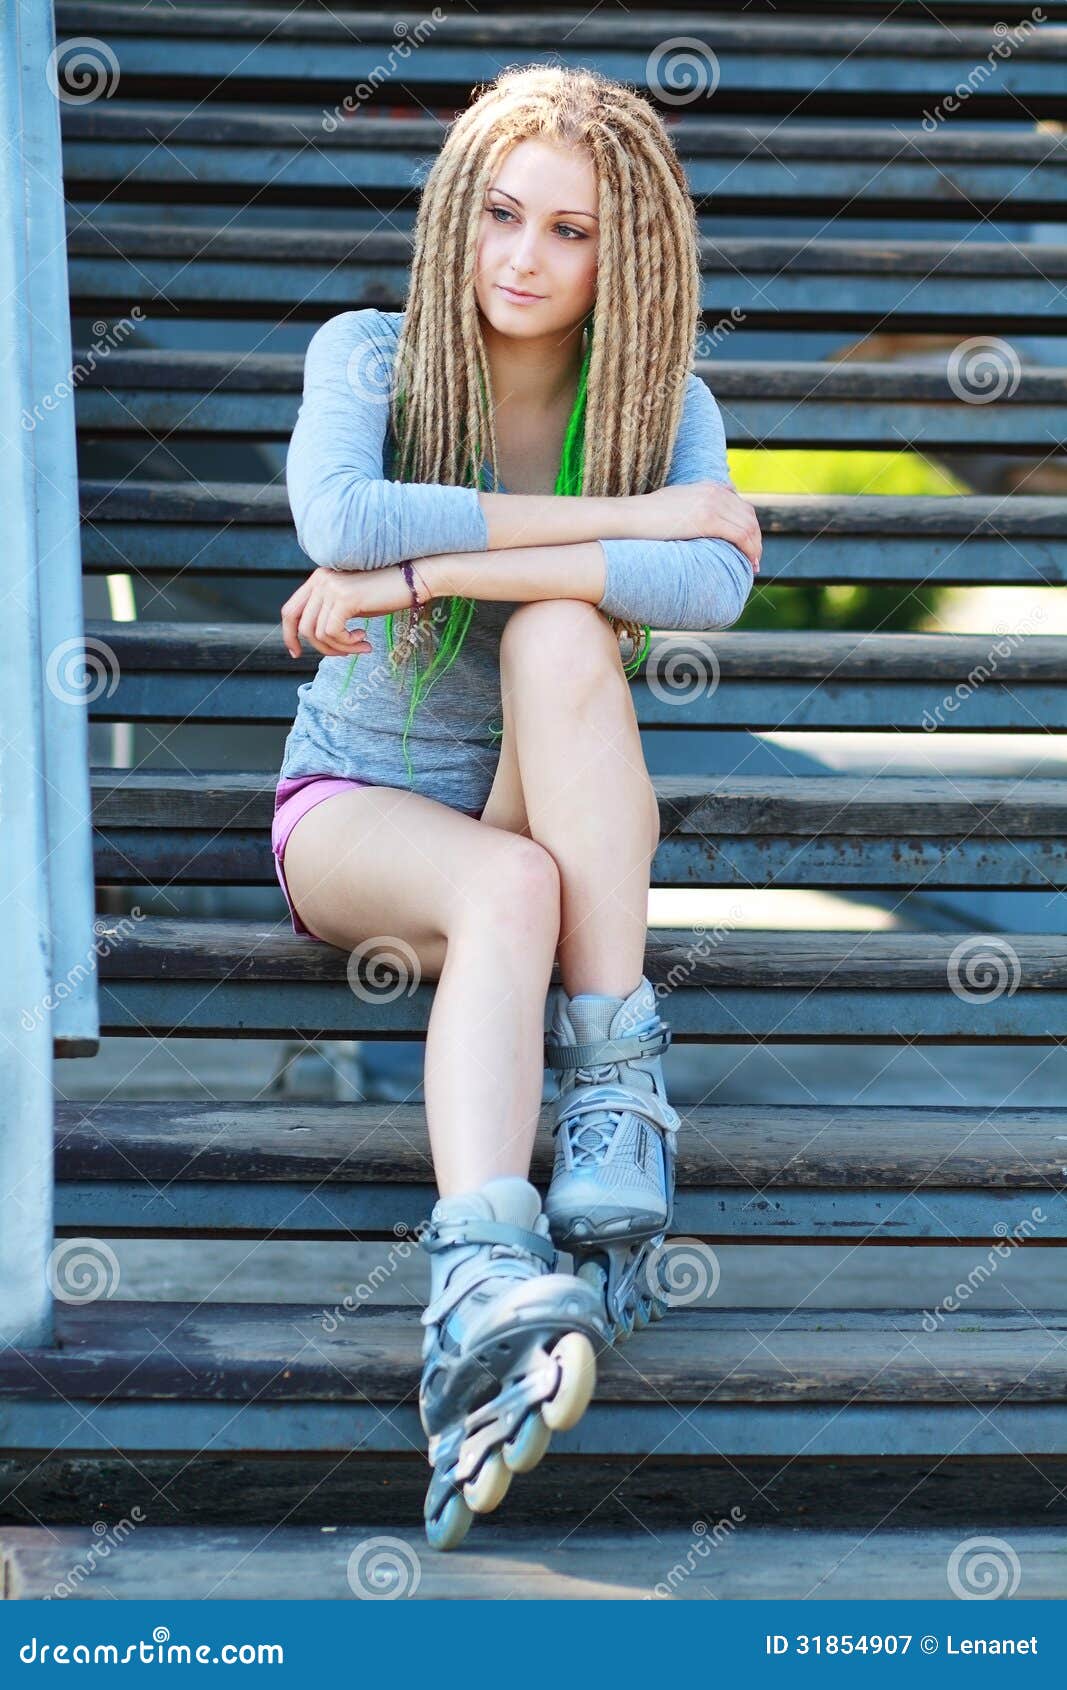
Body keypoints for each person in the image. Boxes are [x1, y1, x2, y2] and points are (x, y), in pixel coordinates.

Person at [274, 63, 762, 1551]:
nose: (523, 259)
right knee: (504, 884)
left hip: (540, 830)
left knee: (559, 646)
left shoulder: (662, 404)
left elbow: (714, 575)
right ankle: (483, 1271)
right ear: (457, 211)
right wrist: (624, 522)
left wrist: (430, 576)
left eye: (570, 231)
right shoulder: (371, 354)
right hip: (356, 818)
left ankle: (612, 1086)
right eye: (500, 214)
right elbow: (341, 520)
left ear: (629, 257)